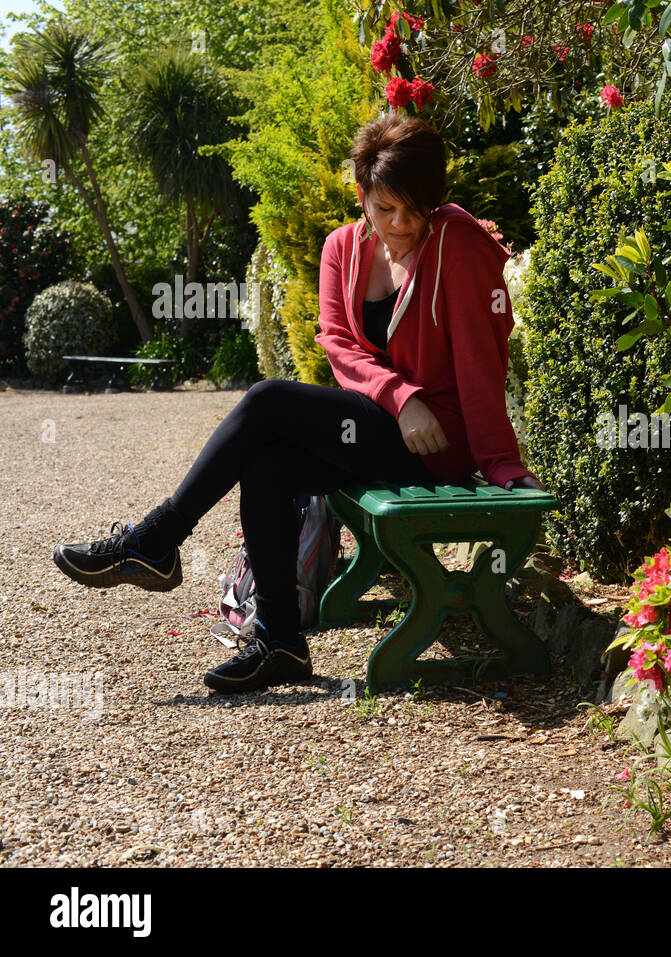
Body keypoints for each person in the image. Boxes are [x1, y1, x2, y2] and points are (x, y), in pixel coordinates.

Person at [52, 111, 544, 694]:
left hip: (438, 438)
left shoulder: (457, 244)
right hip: (382, 423)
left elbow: (482, 361)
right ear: (362, 194)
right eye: (385, 208)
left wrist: (499, 461)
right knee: (268, 465)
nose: (401, 223)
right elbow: (336, 344)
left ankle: (158, 538)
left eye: (414, 209)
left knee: (264, 402)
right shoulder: (342, 249)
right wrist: (399, 395)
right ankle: (281, 641)